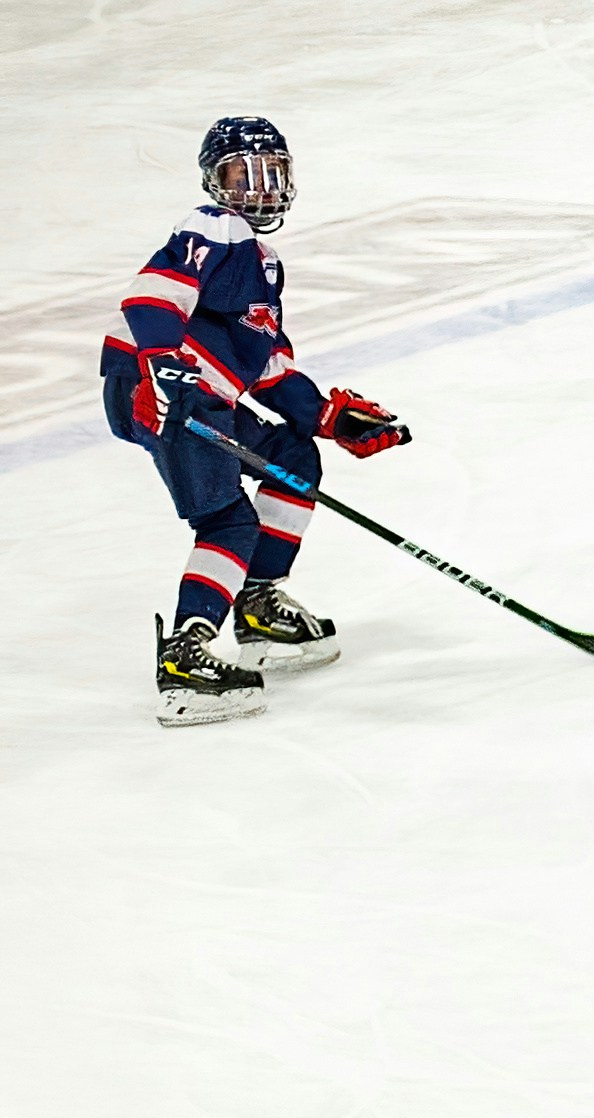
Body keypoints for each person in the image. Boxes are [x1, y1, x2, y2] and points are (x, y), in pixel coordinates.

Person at [98, 116, 412, 727]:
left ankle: (258, 603)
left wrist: (326, 417)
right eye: (244, 173)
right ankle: (186, 657)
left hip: (202, 394)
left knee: (296, 460)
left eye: (274, 172)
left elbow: (266, 364)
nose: (261, 188)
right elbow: (150, 297)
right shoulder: (212, 227)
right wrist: (161, 366)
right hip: (164, 392)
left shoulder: (262, 262)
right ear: (214, 182)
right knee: (227, 518)